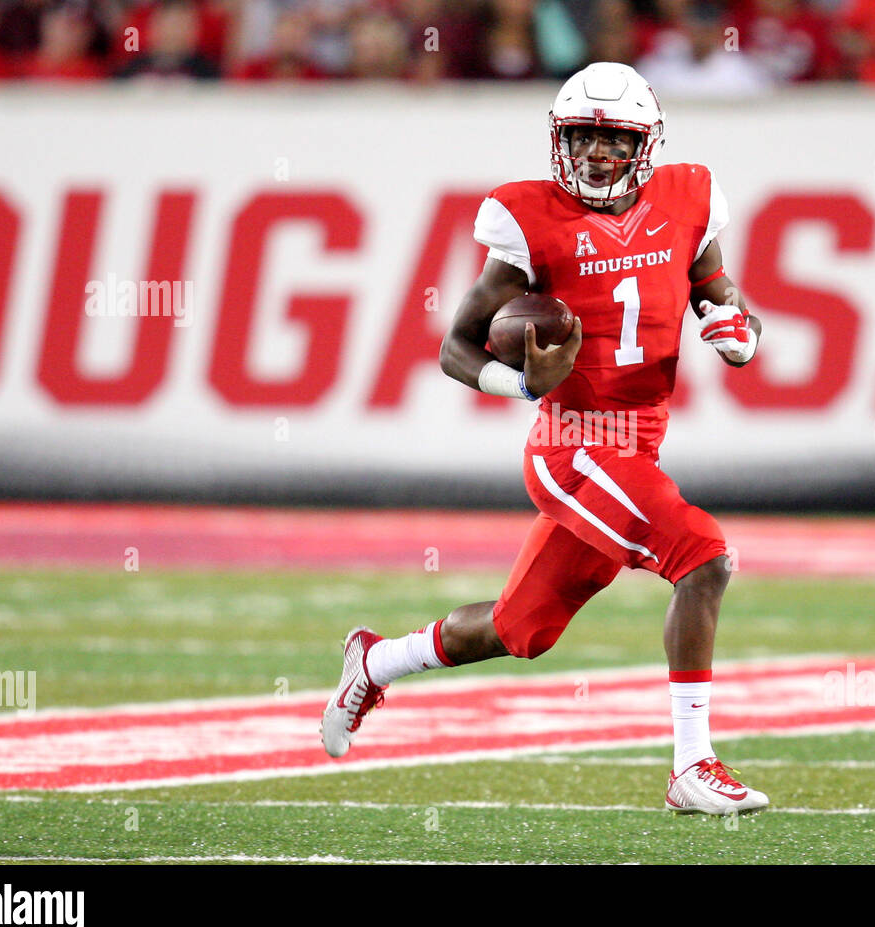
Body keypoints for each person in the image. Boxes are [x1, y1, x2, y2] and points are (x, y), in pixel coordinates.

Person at [321, 61, 769, 816]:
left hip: (639, 443)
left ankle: (375, 661)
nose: (596, 153)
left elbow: (718, 293)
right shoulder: (528, 217)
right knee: (704, 556)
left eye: (613, 137)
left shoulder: (690, 196)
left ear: (645, 143)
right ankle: (692, 766)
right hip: (573, 444)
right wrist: (524, 385)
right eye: (583, 136)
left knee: (518, 629)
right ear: (561, 139)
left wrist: (736, 331)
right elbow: (456, 345)